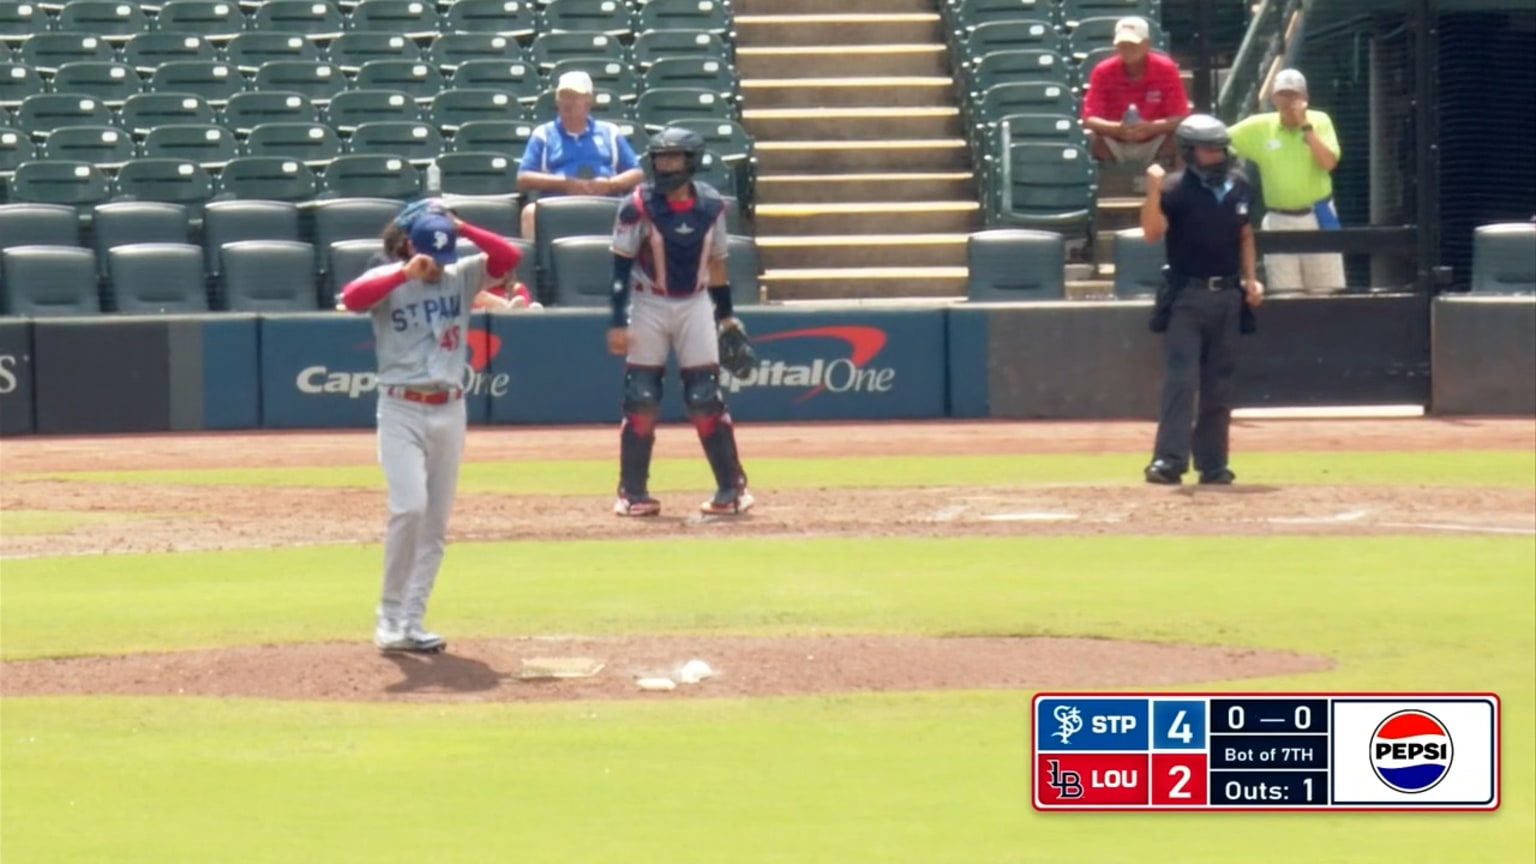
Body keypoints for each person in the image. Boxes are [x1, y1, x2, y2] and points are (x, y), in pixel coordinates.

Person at [339, 209, 522, 652]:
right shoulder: (389, 277)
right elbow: (353, 298)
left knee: (435, 523)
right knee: (409, 508)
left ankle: (413, 620)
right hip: (400, 406)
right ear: (409, 246)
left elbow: (508, 257)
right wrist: (403, 273)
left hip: (450, 408)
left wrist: (462, 227)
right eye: (431, 254)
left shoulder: (460, 275)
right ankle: (388, 616)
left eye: (445, 254)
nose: (438, 264)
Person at [605, 127, 754, 518]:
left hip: (696, 303)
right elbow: (620, 267)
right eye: (660, 158)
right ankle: (632, 491)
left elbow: (717, 265)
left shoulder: (712, 206)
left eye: (673, 158)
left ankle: (731, 488)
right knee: (641, 397)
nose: (665, 166)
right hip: (648, 303)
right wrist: (617, 320)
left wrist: (727, 317)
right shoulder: (637, 205)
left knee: (705, 397)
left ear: (691, 161)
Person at [1140, 115, 1264, 486]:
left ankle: (1213, 464)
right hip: (1186, 296)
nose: (1218, 155)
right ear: (1190, 152)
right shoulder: (1174, 188)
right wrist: (1153, 191)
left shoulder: (1239, 185)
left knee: (1219, 384)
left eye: (1220, 148)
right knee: (1181, 380)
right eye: (1209, 149)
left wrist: (1251, 279)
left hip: (1228, 295)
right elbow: (1152, 232)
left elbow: (1245, 235)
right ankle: (1169, 460)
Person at [1228, 68, 1346, 294]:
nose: (1288, 101)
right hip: (1279, 219)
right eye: (1282, 94)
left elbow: (1328, 163)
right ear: (1273, 98)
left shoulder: (1320, 120)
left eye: (1294, 95)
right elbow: (1219, 140)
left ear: (1305, 98)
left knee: (1326, 292)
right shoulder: (1259, 126)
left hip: (1319, 214)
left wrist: (1306, 127)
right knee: (1286, 293)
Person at [515, 70, 645, 241]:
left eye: (574, 97)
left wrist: (610, 184)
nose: (568, 103)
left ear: (588, 101)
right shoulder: (543, 134)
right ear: (557, 100)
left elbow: (636, 173)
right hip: (558, 205)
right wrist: (565, 184)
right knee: (529, 212)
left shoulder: (610, 132)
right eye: (564, 96)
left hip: (606, 203)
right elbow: (523, 179)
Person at [1081, 16, 1190, 166]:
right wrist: (1117, 129)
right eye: (1123, 45)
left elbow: (1179, 116)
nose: (1127, 50)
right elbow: (1090, 118)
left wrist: (1150, 127)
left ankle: (1175, 179)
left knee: (1183, 137)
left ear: (1146, 44)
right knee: (1090, 139)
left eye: (1133, 44)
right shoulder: (1103, 71)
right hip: (1114, 141)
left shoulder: (1165, 68)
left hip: (1156, 140)